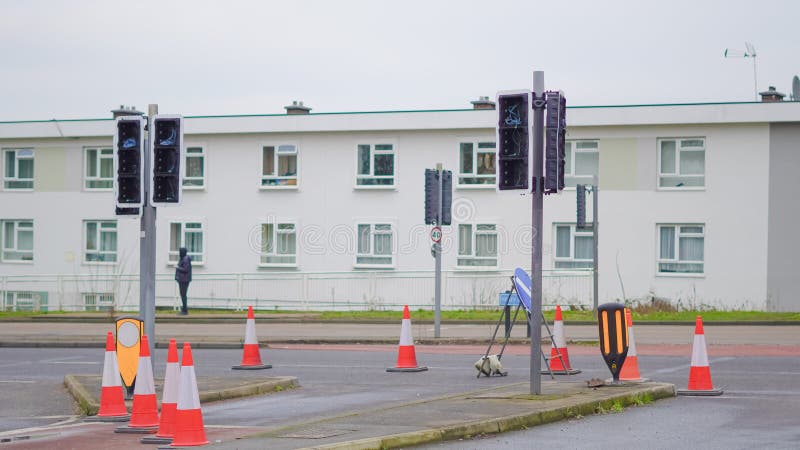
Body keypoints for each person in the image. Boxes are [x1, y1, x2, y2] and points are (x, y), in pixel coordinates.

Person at [175, 247, 192, 315]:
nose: (179, 253)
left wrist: (177, 267)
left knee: (183, 295)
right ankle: (184, 309)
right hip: (183, 279)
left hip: (184, 280)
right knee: (183, 295)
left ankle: (185, 310)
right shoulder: (183, 259)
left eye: (180, 252)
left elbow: (185, 269)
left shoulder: (185, 259)